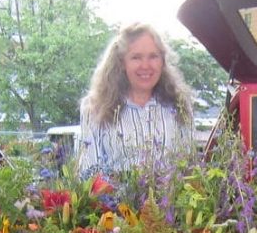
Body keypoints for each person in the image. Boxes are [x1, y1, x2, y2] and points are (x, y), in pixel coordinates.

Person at [78, 23, 194, 176]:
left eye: (153, 56)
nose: (145, 65)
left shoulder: (179, 104)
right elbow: (88, 172)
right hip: (115, 199)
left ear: (163, 61)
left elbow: (189, 168)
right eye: (136, 57)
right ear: (122, 63)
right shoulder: (94, 107)